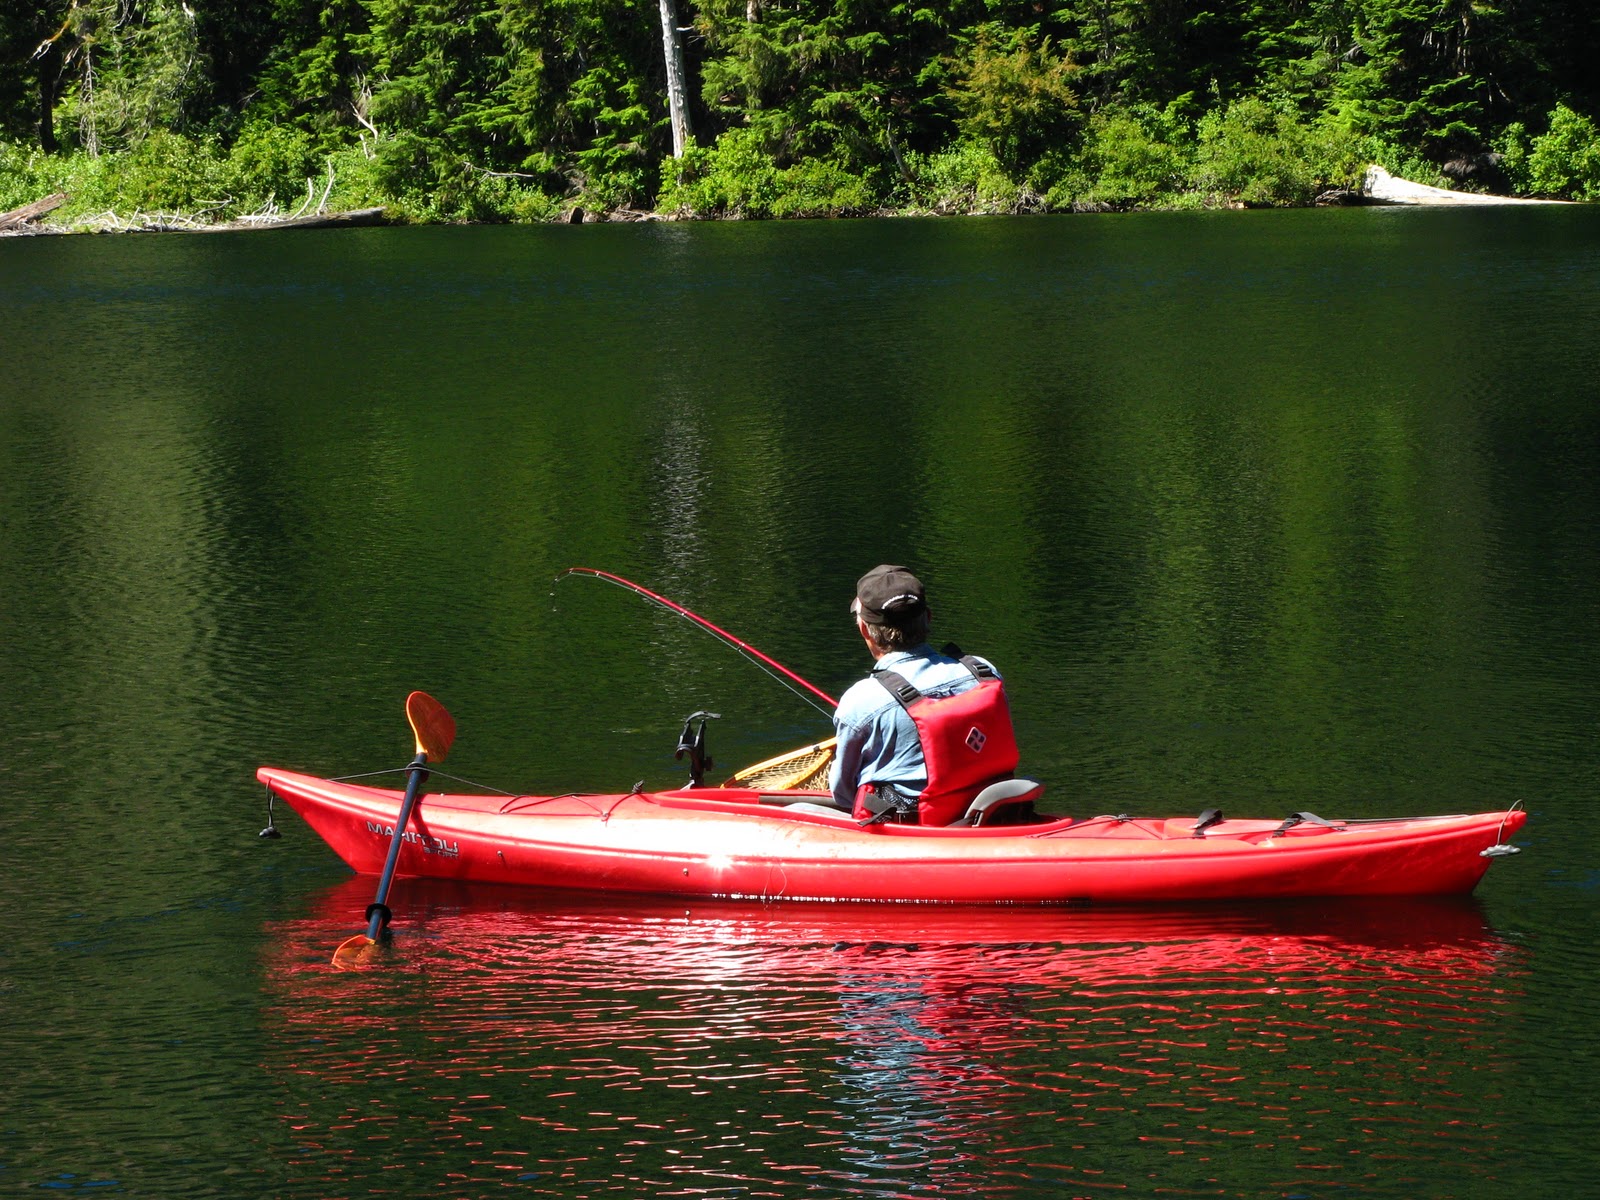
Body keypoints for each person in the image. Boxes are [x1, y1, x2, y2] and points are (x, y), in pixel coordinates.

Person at [828, 565, 1019, 825]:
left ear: (864, 629)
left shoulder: (861, 701)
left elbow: (843, 794)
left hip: (913, 829)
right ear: (928, 617)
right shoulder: (983, 672)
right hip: (993, 814)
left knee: (799, 807)